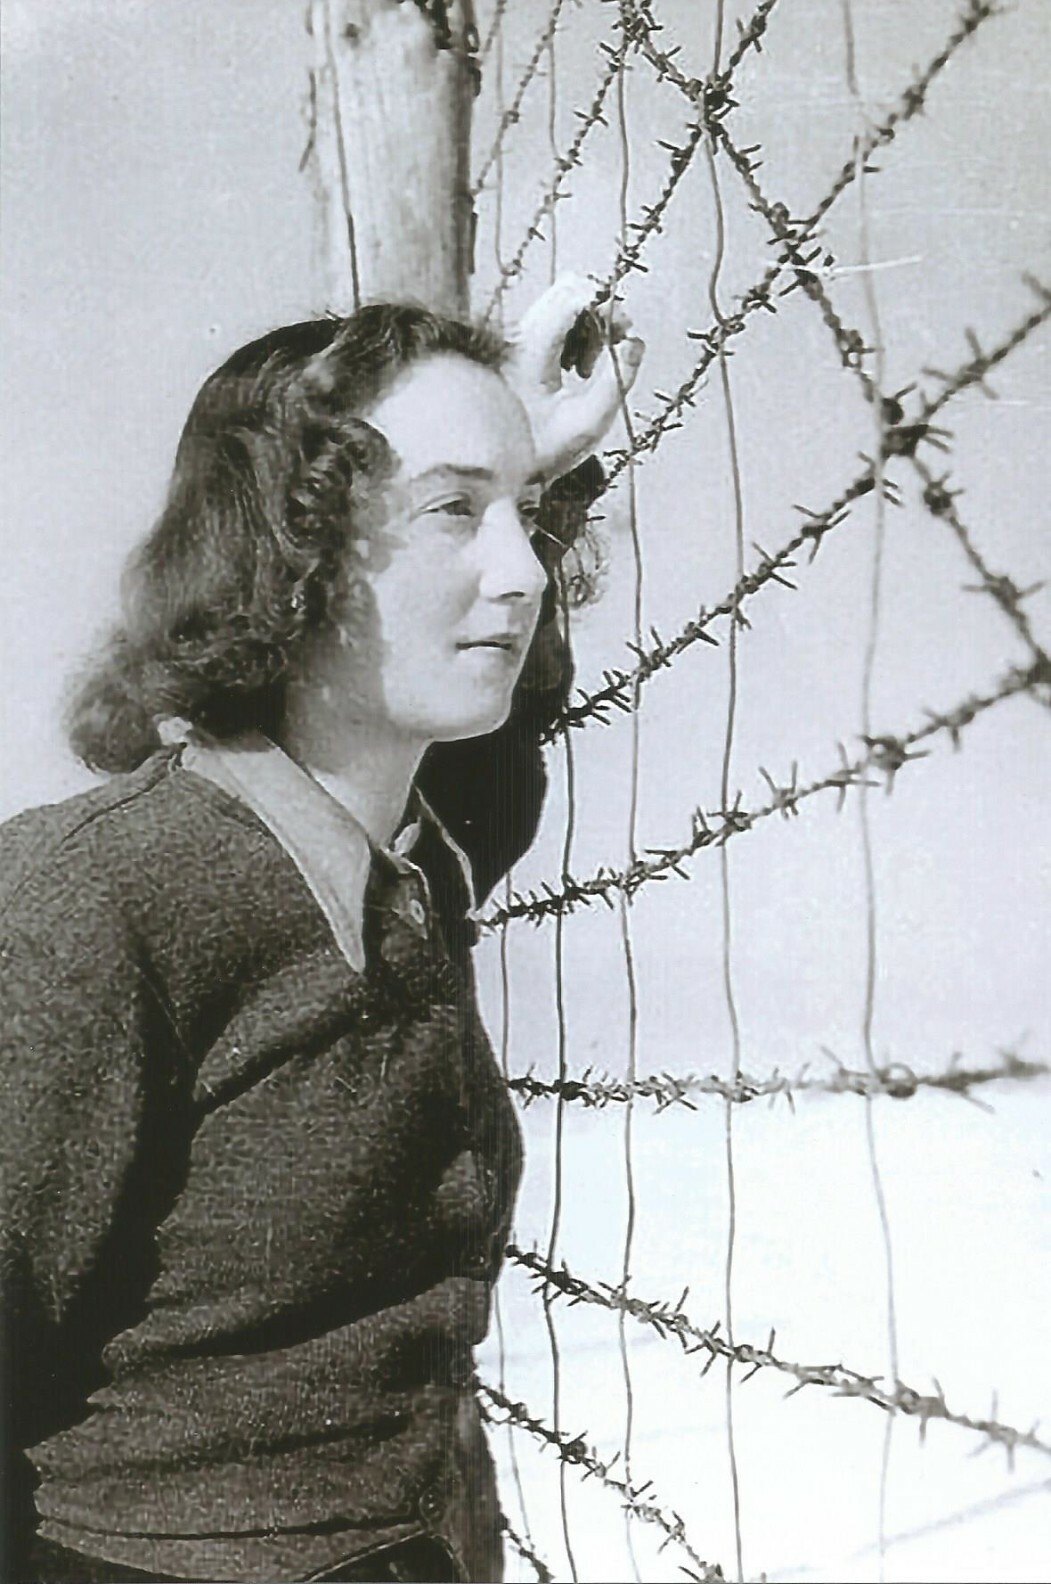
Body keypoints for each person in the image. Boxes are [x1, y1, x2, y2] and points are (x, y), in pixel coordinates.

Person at [1, 278, 643, 1584]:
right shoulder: (103, 898)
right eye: (453, 511)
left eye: (523, 518)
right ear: (286, 550)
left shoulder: (405, 865)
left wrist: (539, 462)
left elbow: (491, 770)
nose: (519, 571)